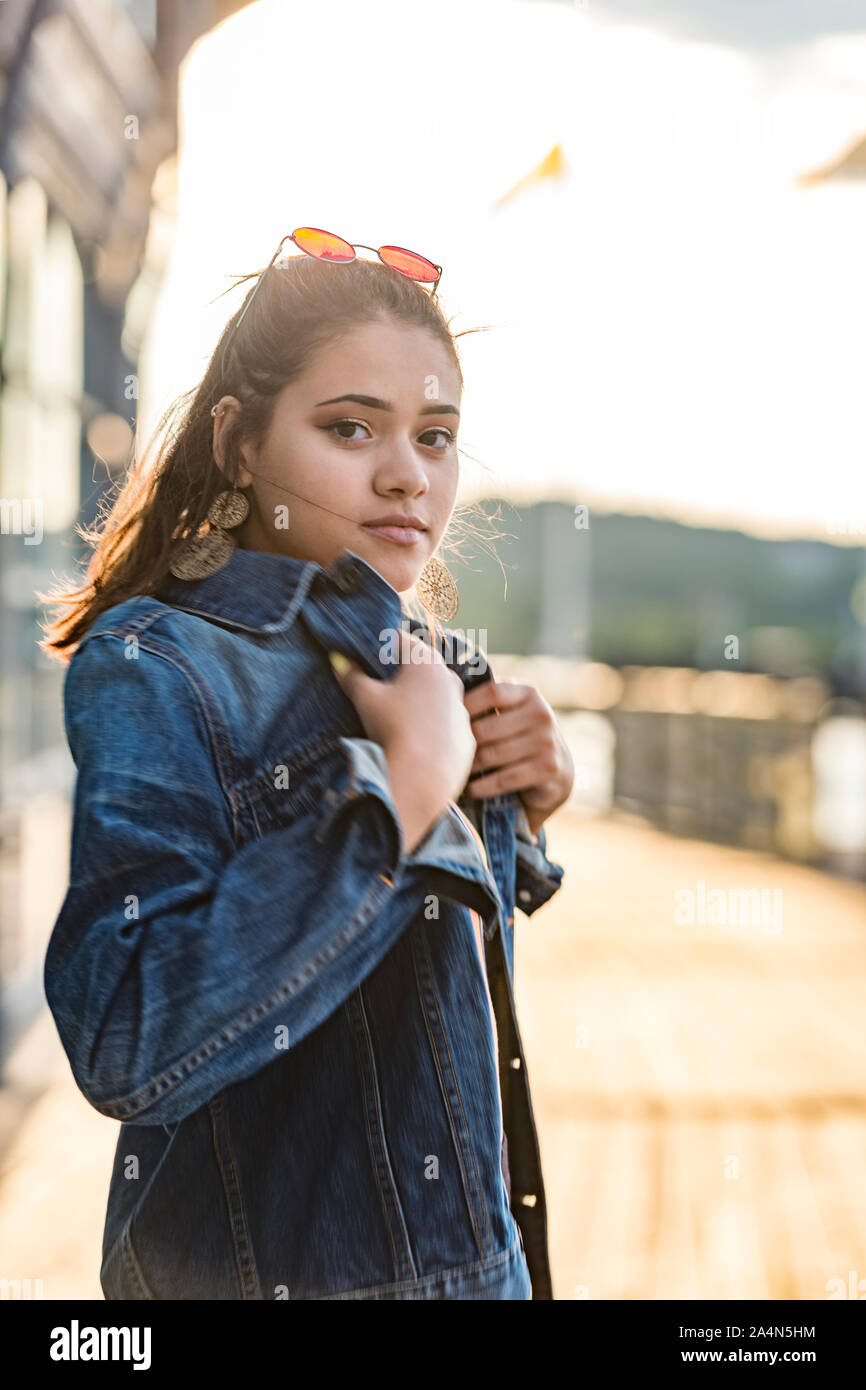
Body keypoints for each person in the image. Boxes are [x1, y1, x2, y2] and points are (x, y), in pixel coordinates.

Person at [38, 228, 573, 1300]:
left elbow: (432, 985)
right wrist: (404, 792)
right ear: (240, 447)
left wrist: (522, 793)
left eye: (435, 436)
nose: (404, 475)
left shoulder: (425, 661)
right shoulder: (160, 661)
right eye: (348, 428)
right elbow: (127, 1041)